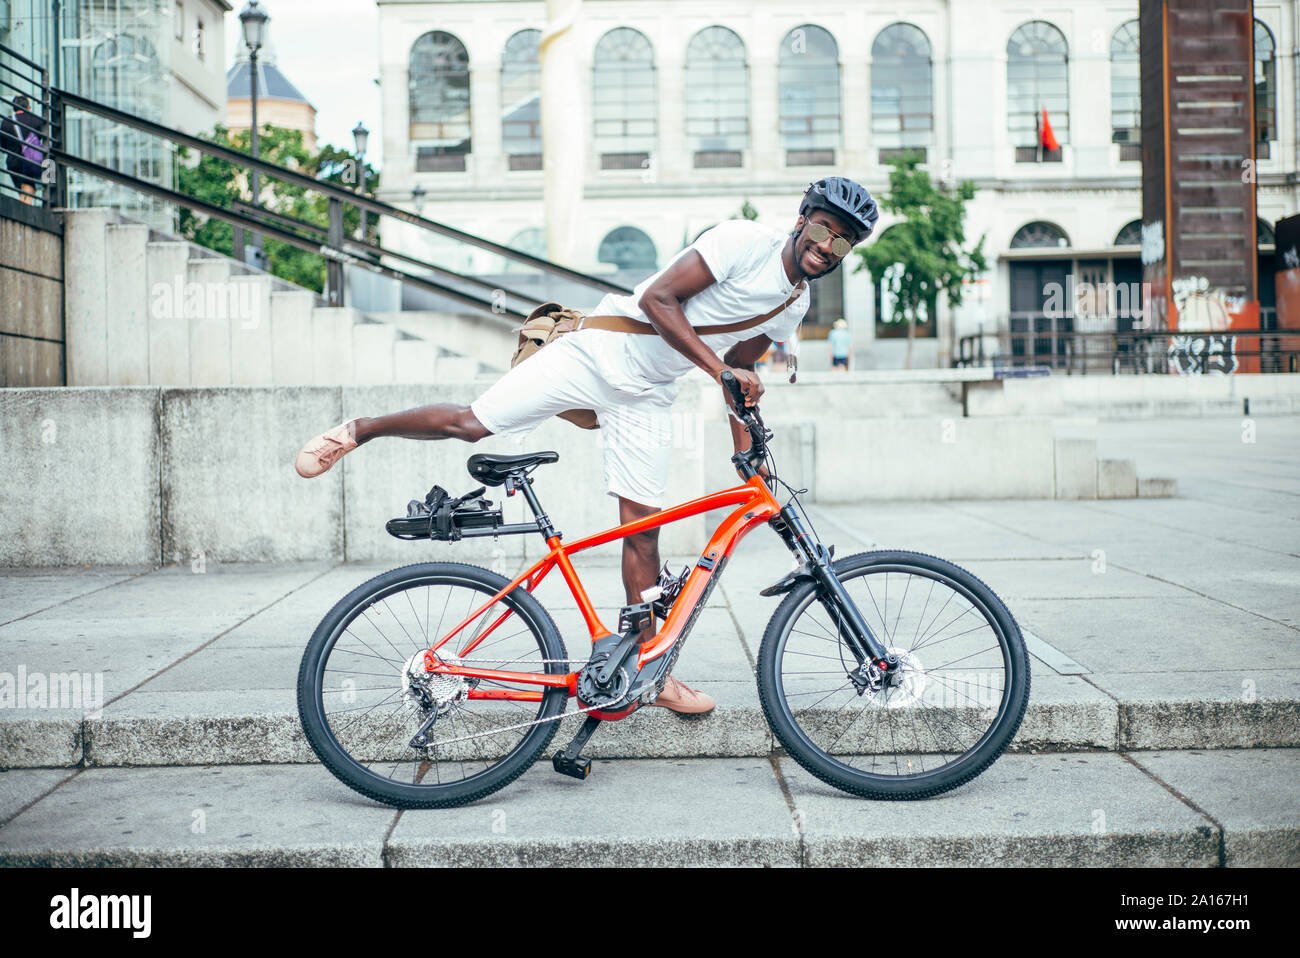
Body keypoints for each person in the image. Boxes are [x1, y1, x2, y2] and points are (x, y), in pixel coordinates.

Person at [293, 176, 878, 714]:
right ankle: (358, 430)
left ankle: (649, 669)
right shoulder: (742, 242)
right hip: (595, 351)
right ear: (803, 218)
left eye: (845, 242)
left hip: (647, 394)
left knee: (642, 529)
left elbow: (738, 372)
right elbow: (659, 302)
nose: (830, 246)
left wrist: (748, 453)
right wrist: (716, 373)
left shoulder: (793, 304)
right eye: (826, 228)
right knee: (474, 423)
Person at [1, 96, 44, 205]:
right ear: (28, 107)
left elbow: (3, 146)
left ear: (14, 108)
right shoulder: (37, 121)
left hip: (13, 163)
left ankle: (25, 208)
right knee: (29, 191)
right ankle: (30, 212)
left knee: (23, 192)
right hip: (31, 162)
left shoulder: (6, 123)